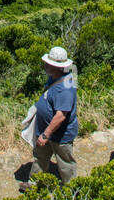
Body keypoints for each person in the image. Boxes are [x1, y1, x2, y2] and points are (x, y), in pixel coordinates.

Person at [28, 45, 79, 185]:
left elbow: (61, 115)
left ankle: (71, 189)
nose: (45, 65)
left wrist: (46, 134)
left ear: (57, 67)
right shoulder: (54, 77)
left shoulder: (65, 88)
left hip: (59, 134)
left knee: (65, 162)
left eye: (49, 64)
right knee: (40, 157)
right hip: (46, 130)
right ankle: (34, 184)